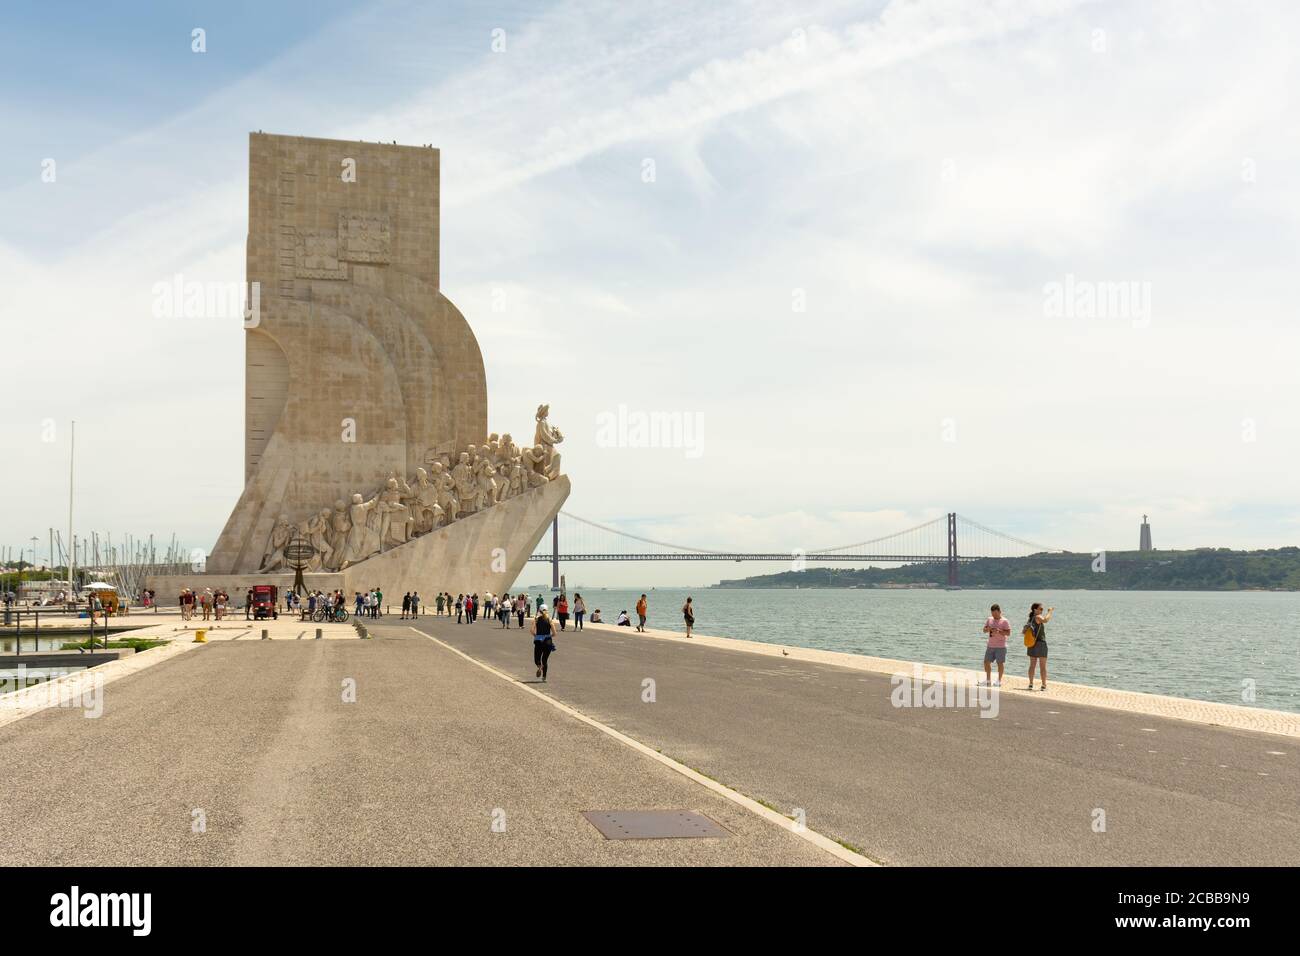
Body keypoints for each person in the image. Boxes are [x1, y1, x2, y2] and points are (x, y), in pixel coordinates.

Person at [1025, 602, 1053, 691]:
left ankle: (1030, 684)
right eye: (1040, 609)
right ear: (1035, 610)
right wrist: (1050, 611)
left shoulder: (1030, 619)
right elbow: (1045, 620)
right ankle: (1044, 685)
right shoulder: (1037, 617)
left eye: (1042, 609)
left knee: (1032, 665)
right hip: (1040, 643)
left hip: (1032, 643)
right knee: (1043, 666)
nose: (1042, 610)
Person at [981, 603, 1011, 686]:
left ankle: (999, 681)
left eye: (995, 614)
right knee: (986, 662)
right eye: (992, 614)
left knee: (1000, 663)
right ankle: (988, 680)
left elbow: (1008, 633)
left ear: (1000, 612)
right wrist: (988, 629)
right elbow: (984, 630)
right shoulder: (989, 619)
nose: (994, 616)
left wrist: (999, 631)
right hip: (990, 645)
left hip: (1001, 646)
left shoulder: (1005, 621)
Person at [531, 608, 556, 682]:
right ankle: (544, 677)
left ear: (539, 612)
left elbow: (531, 630)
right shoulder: (549, 620)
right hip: (548, 642)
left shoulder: (536, 620)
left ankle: (539, 666)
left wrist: (536, 635)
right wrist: (548, 636)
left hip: (539, 641)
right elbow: (554, 633)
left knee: (537, 659)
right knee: (544, 660)